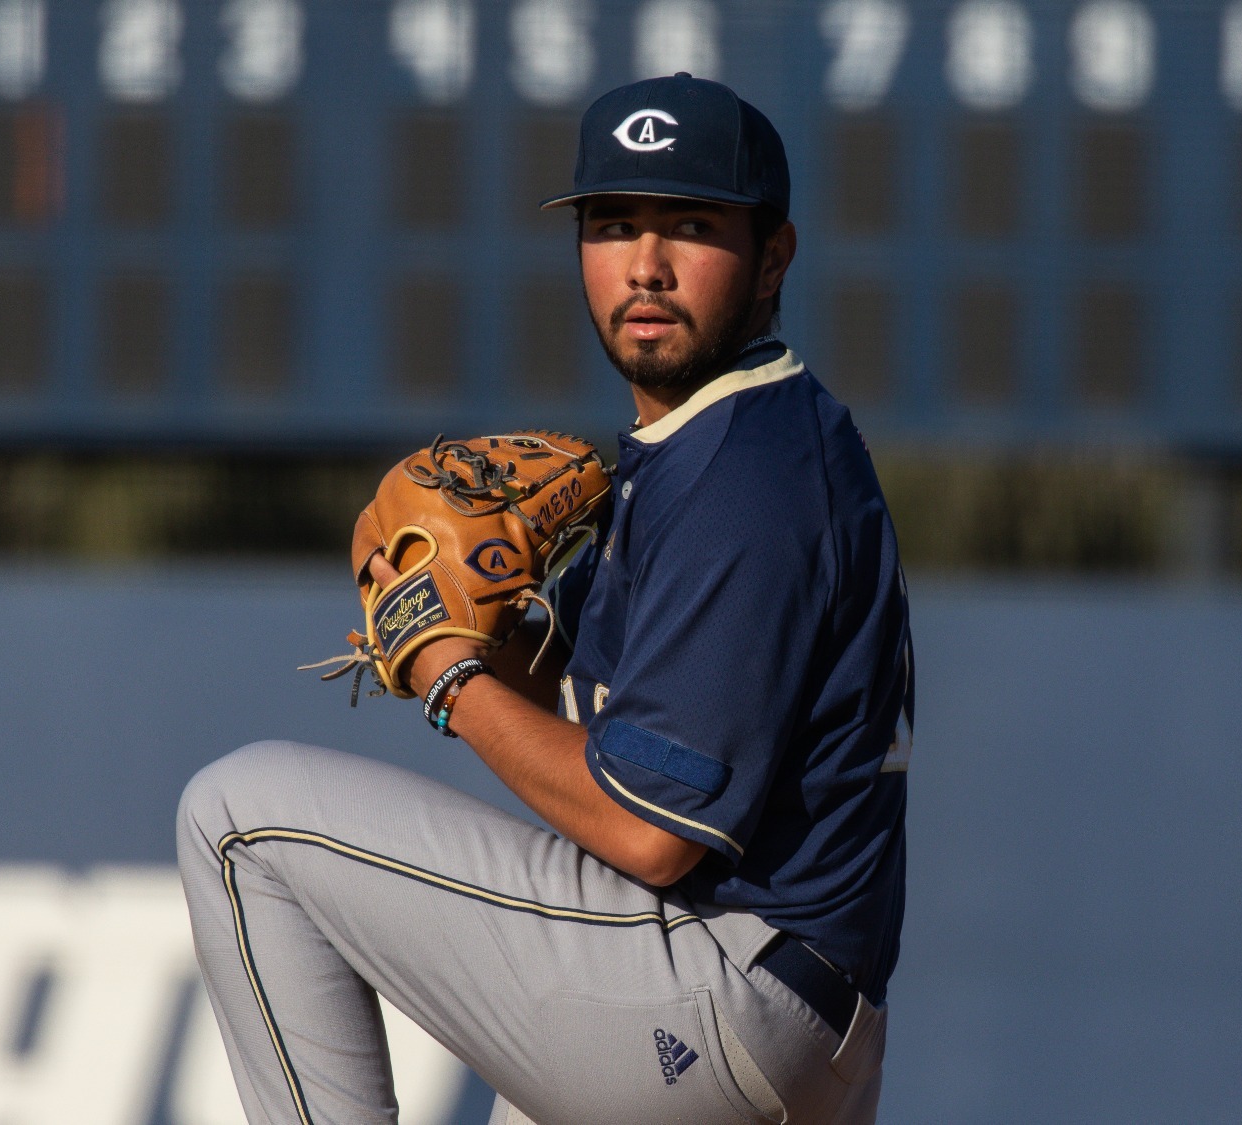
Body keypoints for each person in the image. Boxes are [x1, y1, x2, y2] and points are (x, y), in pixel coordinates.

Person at [177, 73, 912, 1125]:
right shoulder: (732, 443)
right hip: (785, 1021)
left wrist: (447, 673)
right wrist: (497, 645)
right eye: (612, 225)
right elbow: (622, 730)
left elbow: (649, 833)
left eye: (689, 226)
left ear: (772, 257)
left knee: (238, 818)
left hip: (720, 998)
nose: (644, 265)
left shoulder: (742, 481)